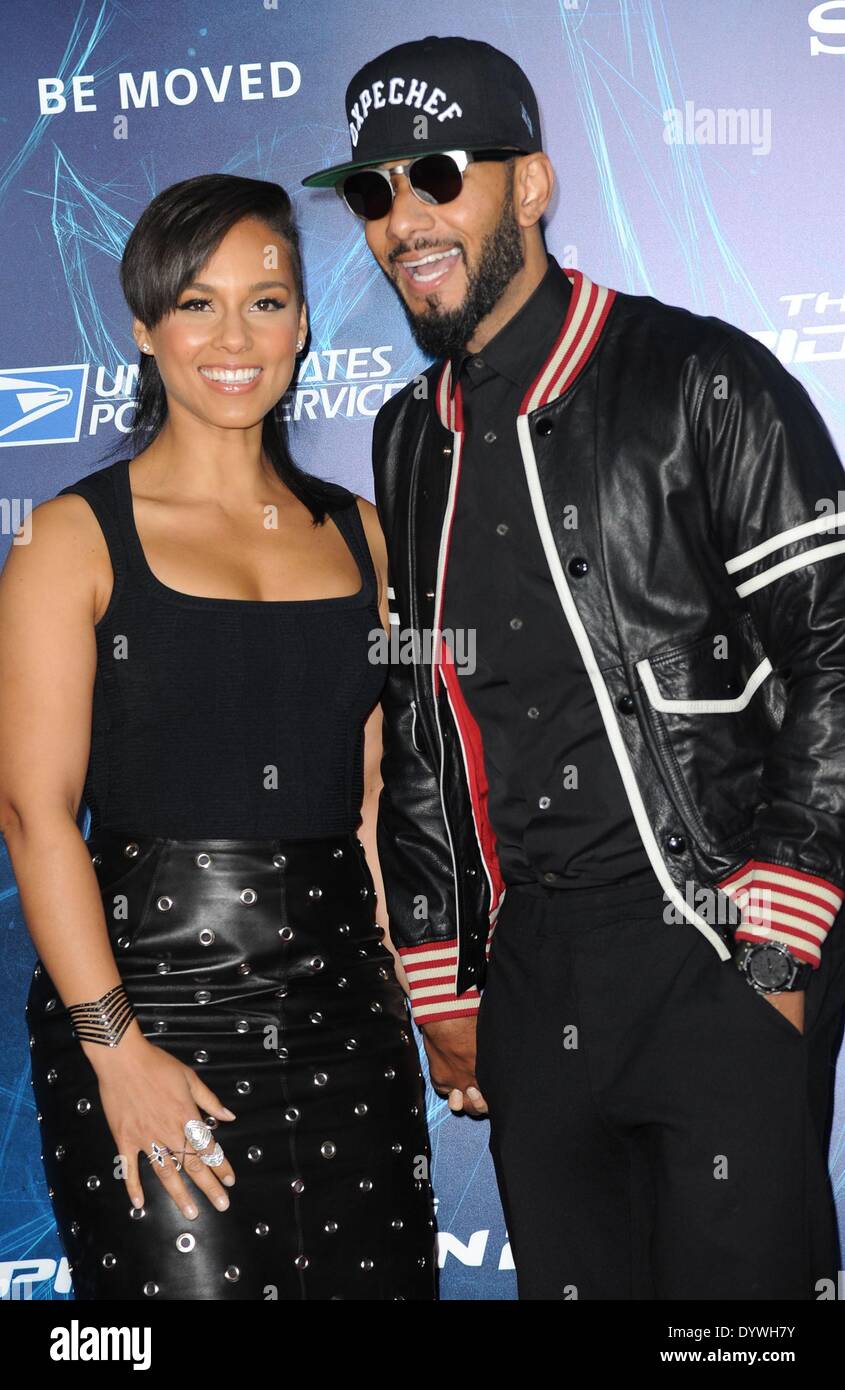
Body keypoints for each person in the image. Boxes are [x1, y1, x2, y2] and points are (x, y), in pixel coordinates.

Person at [301, 36, 845, 1299]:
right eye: (373, 191)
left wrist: (776, 926)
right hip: (534, 974)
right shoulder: (405, 436)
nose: (402, 221)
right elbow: (421, 704)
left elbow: (834, 643)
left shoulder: (697, 376)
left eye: (436, 174)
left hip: (717, 942)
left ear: (531, 185)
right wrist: (439, 969)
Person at [0, 173, 437, 1301]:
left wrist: (419, 993)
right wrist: (116, 1051)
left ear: (303, 324)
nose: (233, 336)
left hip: (347, 1015)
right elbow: (31, 811)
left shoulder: (367, 538)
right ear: (143, 329)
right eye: (196, 304)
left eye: (268, 300)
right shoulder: (70, 539)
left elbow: (373, 796)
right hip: (153, 1007)